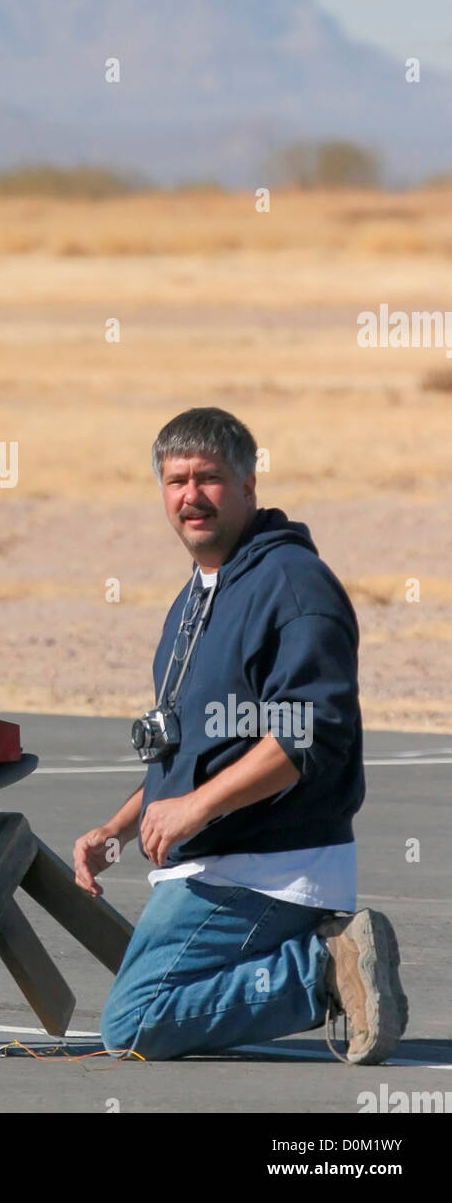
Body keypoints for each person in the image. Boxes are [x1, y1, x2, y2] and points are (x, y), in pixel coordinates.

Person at [73, 406, 407, 1065]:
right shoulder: (198, 595)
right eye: (175, 481)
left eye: (208, 478)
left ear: (249, 486)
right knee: (147, 1006)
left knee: (135, 1023)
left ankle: (323, 969)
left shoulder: (290, 586)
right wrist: (115, 830)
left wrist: (197, 808)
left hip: (266, 867)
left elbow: (303, 736)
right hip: (215, 860)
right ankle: (315, 964)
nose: (190, 496)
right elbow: (195, 748)